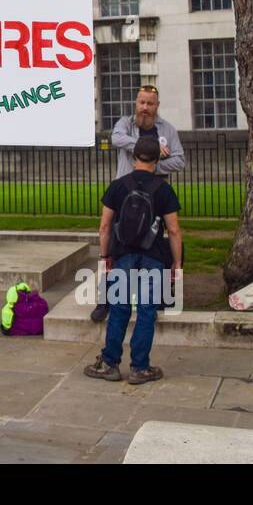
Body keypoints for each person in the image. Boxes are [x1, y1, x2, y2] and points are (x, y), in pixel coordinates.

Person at [84, 136, 182, 386]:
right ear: (158, 160)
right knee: (147, 311)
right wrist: (176, 265)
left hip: (123, 254)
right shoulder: (164, 190)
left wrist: (105, 256)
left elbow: (105, 226)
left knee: (118, 308)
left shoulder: (117, 187)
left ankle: (109, 364)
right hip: (153, 257)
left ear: (133, 157)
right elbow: (173, 231)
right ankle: (140, 367)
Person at [94, 86, 185, 322]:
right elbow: (116, 139)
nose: (145, 107)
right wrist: (147, 150)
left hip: (154, 198)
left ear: (157, 106)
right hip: (124, 197)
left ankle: (162, 296)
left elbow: (179, 160)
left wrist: (151, 165)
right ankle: (104, 300)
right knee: (112, 247)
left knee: (158, 247)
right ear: (136, 103)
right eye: (141, 102)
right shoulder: (125, 124)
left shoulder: (167, 129)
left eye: (150, 103)